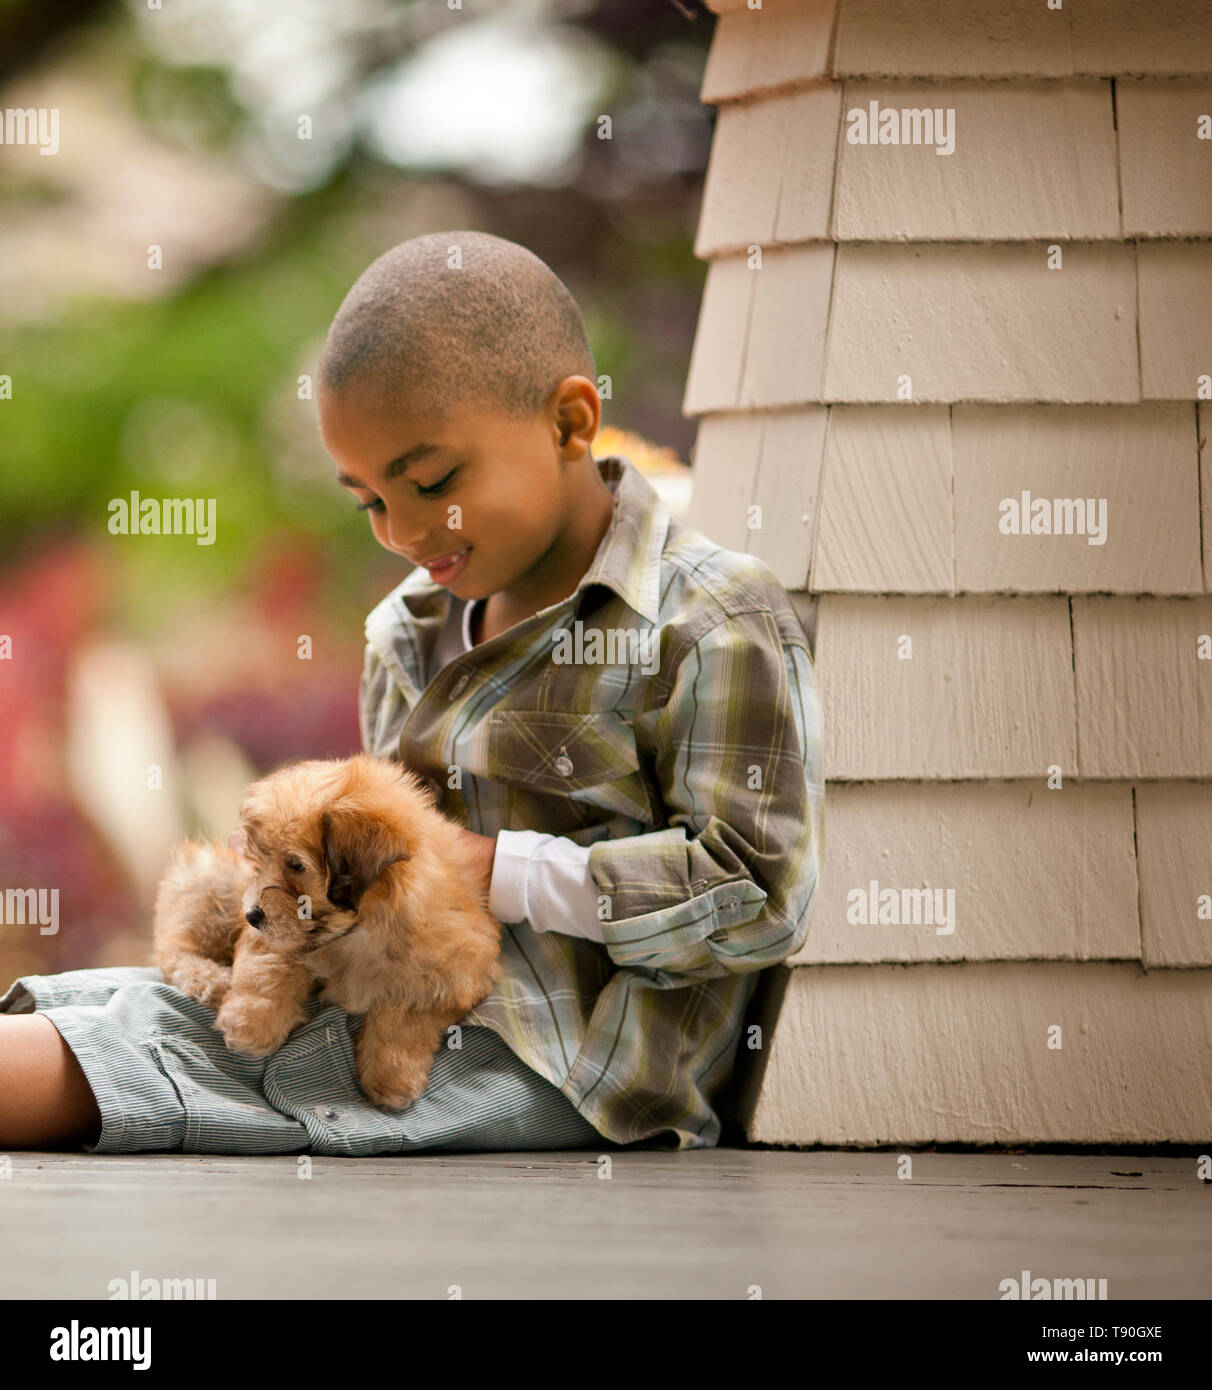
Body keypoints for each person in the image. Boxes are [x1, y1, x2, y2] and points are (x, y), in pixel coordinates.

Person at [0, 230, 823, 1155]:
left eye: (431, 482)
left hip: (567, 1053)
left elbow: (760, 897)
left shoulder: (707, 620)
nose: (400, 529)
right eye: (368, 502)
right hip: (385, 981)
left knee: (200, 1055)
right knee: (156, 998)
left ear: (569, 423)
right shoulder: (409, 629)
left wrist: (501, 869)